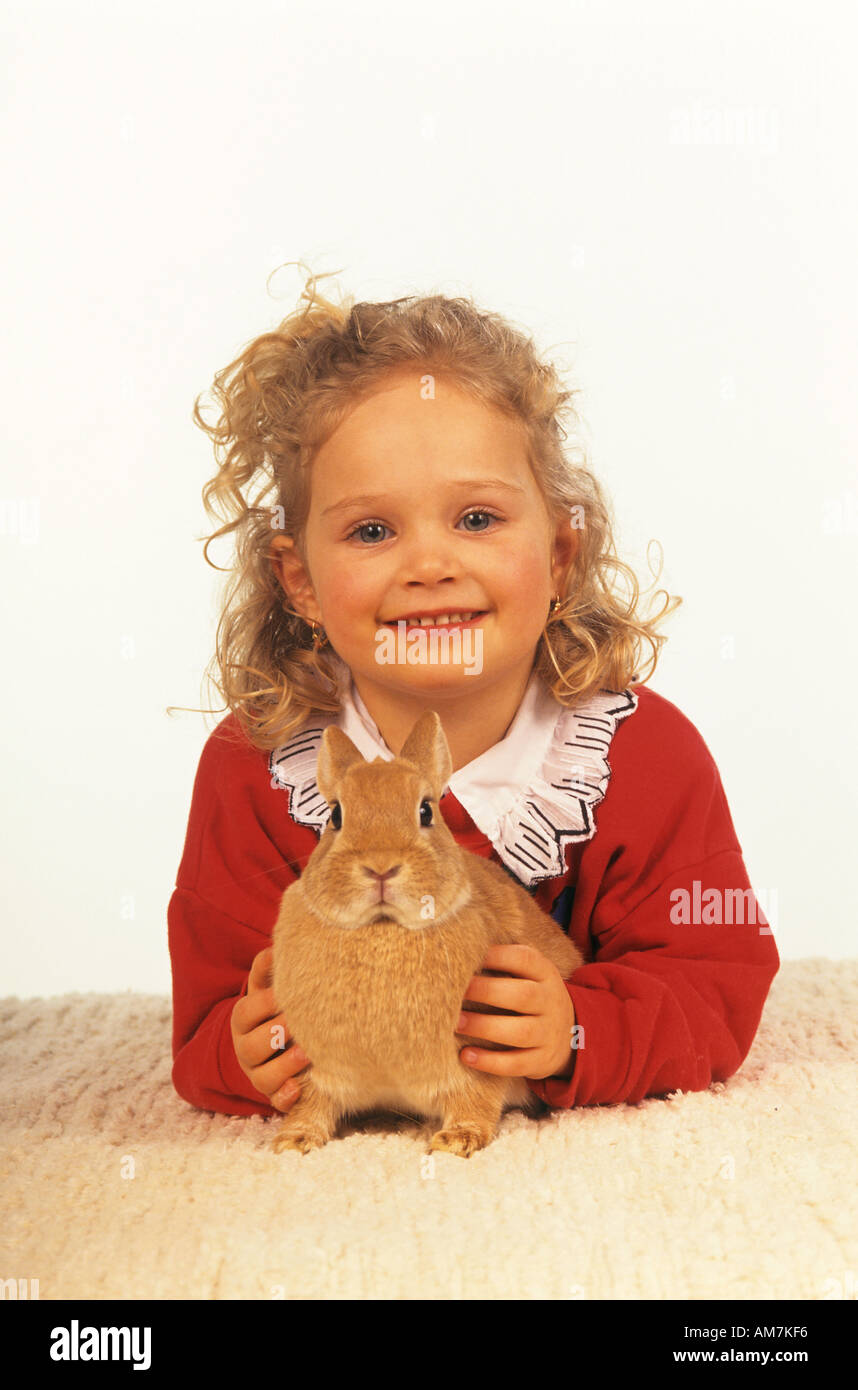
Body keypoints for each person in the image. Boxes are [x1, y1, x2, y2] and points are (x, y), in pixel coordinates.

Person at [167, 265, 779, 1121]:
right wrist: (246, 1053)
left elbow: (715, 981)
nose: (429, 565)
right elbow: (203, 1029)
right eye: (372, 530)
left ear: (561, 554)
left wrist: (577, 1029)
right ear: (298, 579)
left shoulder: (646, 758)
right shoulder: (255, 769)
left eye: (478, 519)